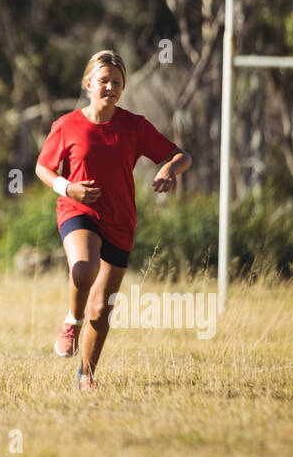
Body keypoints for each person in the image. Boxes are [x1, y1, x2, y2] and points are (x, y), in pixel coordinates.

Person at [35, 50, 191, 390]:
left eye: (116, 83)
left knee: (103, 306)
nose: (109, 87)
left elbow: (181, 155)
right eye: (103, 81)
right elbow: (42, 168)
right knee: (84, 268)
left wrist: (168, 168)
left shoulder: (134, 126)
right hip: (78, 210)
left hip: (120, 219)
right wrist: (68, 188)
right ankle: (72, 320)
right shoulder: (66, 125)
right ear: (88, 83)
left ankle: (86, 376)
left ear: (123, 88)